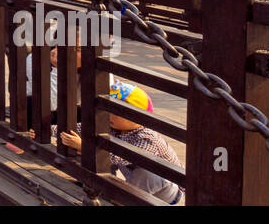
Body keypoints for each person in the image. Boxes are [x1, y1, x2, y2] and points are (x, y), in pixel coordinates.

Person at [49, 81, 182, 204]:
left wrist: (83, 147)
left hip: (165, 190)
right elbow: (81, 128)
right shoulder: (112, 126)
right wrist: (49, 131)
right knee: (97, 146)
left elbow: (117, 157)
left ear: (138, 117)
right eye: (108, 111)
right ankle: (104, 189)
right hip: (134, 181)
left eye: (116, 113)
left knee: (148, 173)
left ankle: (126, 200)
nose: (109, 116)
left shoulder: (147, 138)